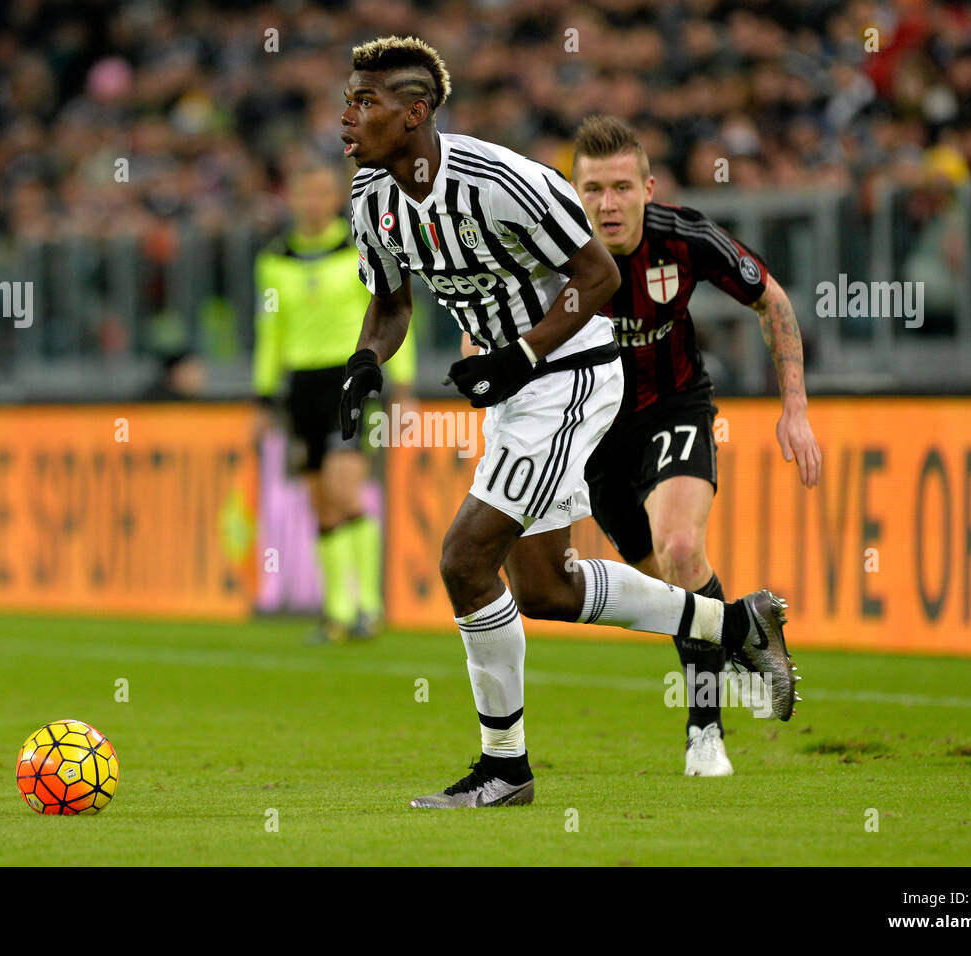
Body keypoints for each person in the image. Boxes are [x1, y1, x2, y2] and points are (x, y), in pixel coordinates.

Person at [336, 36, 799, 809]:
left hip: (571, 374)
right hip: (517, 384)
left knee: (464, 559)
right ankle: (735, 623)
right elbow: (390, 304)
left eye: (365, 102)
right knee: (545, 588)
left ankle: (505, 769)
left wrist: (518, 356)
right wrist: (366, 363)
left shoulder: (503, 180)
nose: (347, 116)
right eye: (348, 100)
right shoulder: (370, 199)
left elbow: (598, 275)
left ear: (415, 115)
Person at [569, 115, 822, 776]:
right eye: (593, 188)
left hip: (673, 408)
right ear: (575, 192)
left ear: (648, 188)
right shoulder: (552, 248)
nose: (608, 203)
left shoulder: (683, 237)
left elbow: (772, 299)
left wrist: (794, 407)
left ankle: (704, 733)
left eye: (622, 186)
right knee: (664, 595)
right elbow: (493, 317)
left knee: (682, 550)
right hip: (595, 434)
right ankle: (743, 624)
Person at [253, 159, 417, 643]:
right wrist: (263, 399)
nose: (312, 203)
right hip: (300, 386)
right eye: (304, 194)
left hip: (349, 381)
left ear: (335, 199)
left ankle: (369, 605)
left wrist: (402, 389)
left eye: (322, 193)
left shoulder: (360, 253)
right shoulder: (274, 260)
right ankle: (338, 611)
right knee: (322, 504)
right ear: (293, 200)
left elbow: (396, 314)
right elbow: (270, 334)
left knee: (346, 492)